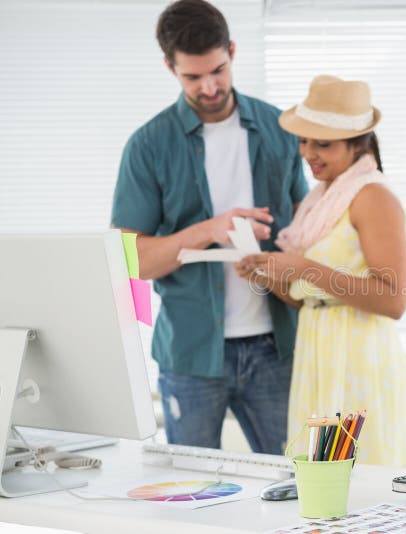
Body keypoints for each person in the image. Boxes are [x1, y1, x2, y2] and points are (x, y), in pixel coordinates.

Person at [111, 0, 308, 454]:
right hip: (190, 355)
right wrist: (210, 229)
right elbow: (132, 261)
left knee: (294, 484)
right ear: (169, 67)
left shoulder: (281, 131)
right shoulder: (147, 146)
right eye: (193, 77)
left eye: (218, 69)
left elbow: (307, 234)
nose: (210, 86)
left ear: (233, 50)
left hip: (277, 349)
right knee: (192, 494)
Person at [236, 75, 406, 466]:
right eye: (304, 140)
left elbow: (394, 300)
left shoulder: (373, 197)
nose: (308, 153)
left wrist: (302, 267)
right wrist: (270, 274)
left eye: (323, 144)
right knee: (319, 486)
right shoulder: (319, 203)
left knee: (364, 483)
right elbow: (308, 301)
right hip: (317, 352)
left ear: (358, 143)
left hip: (359, 355)